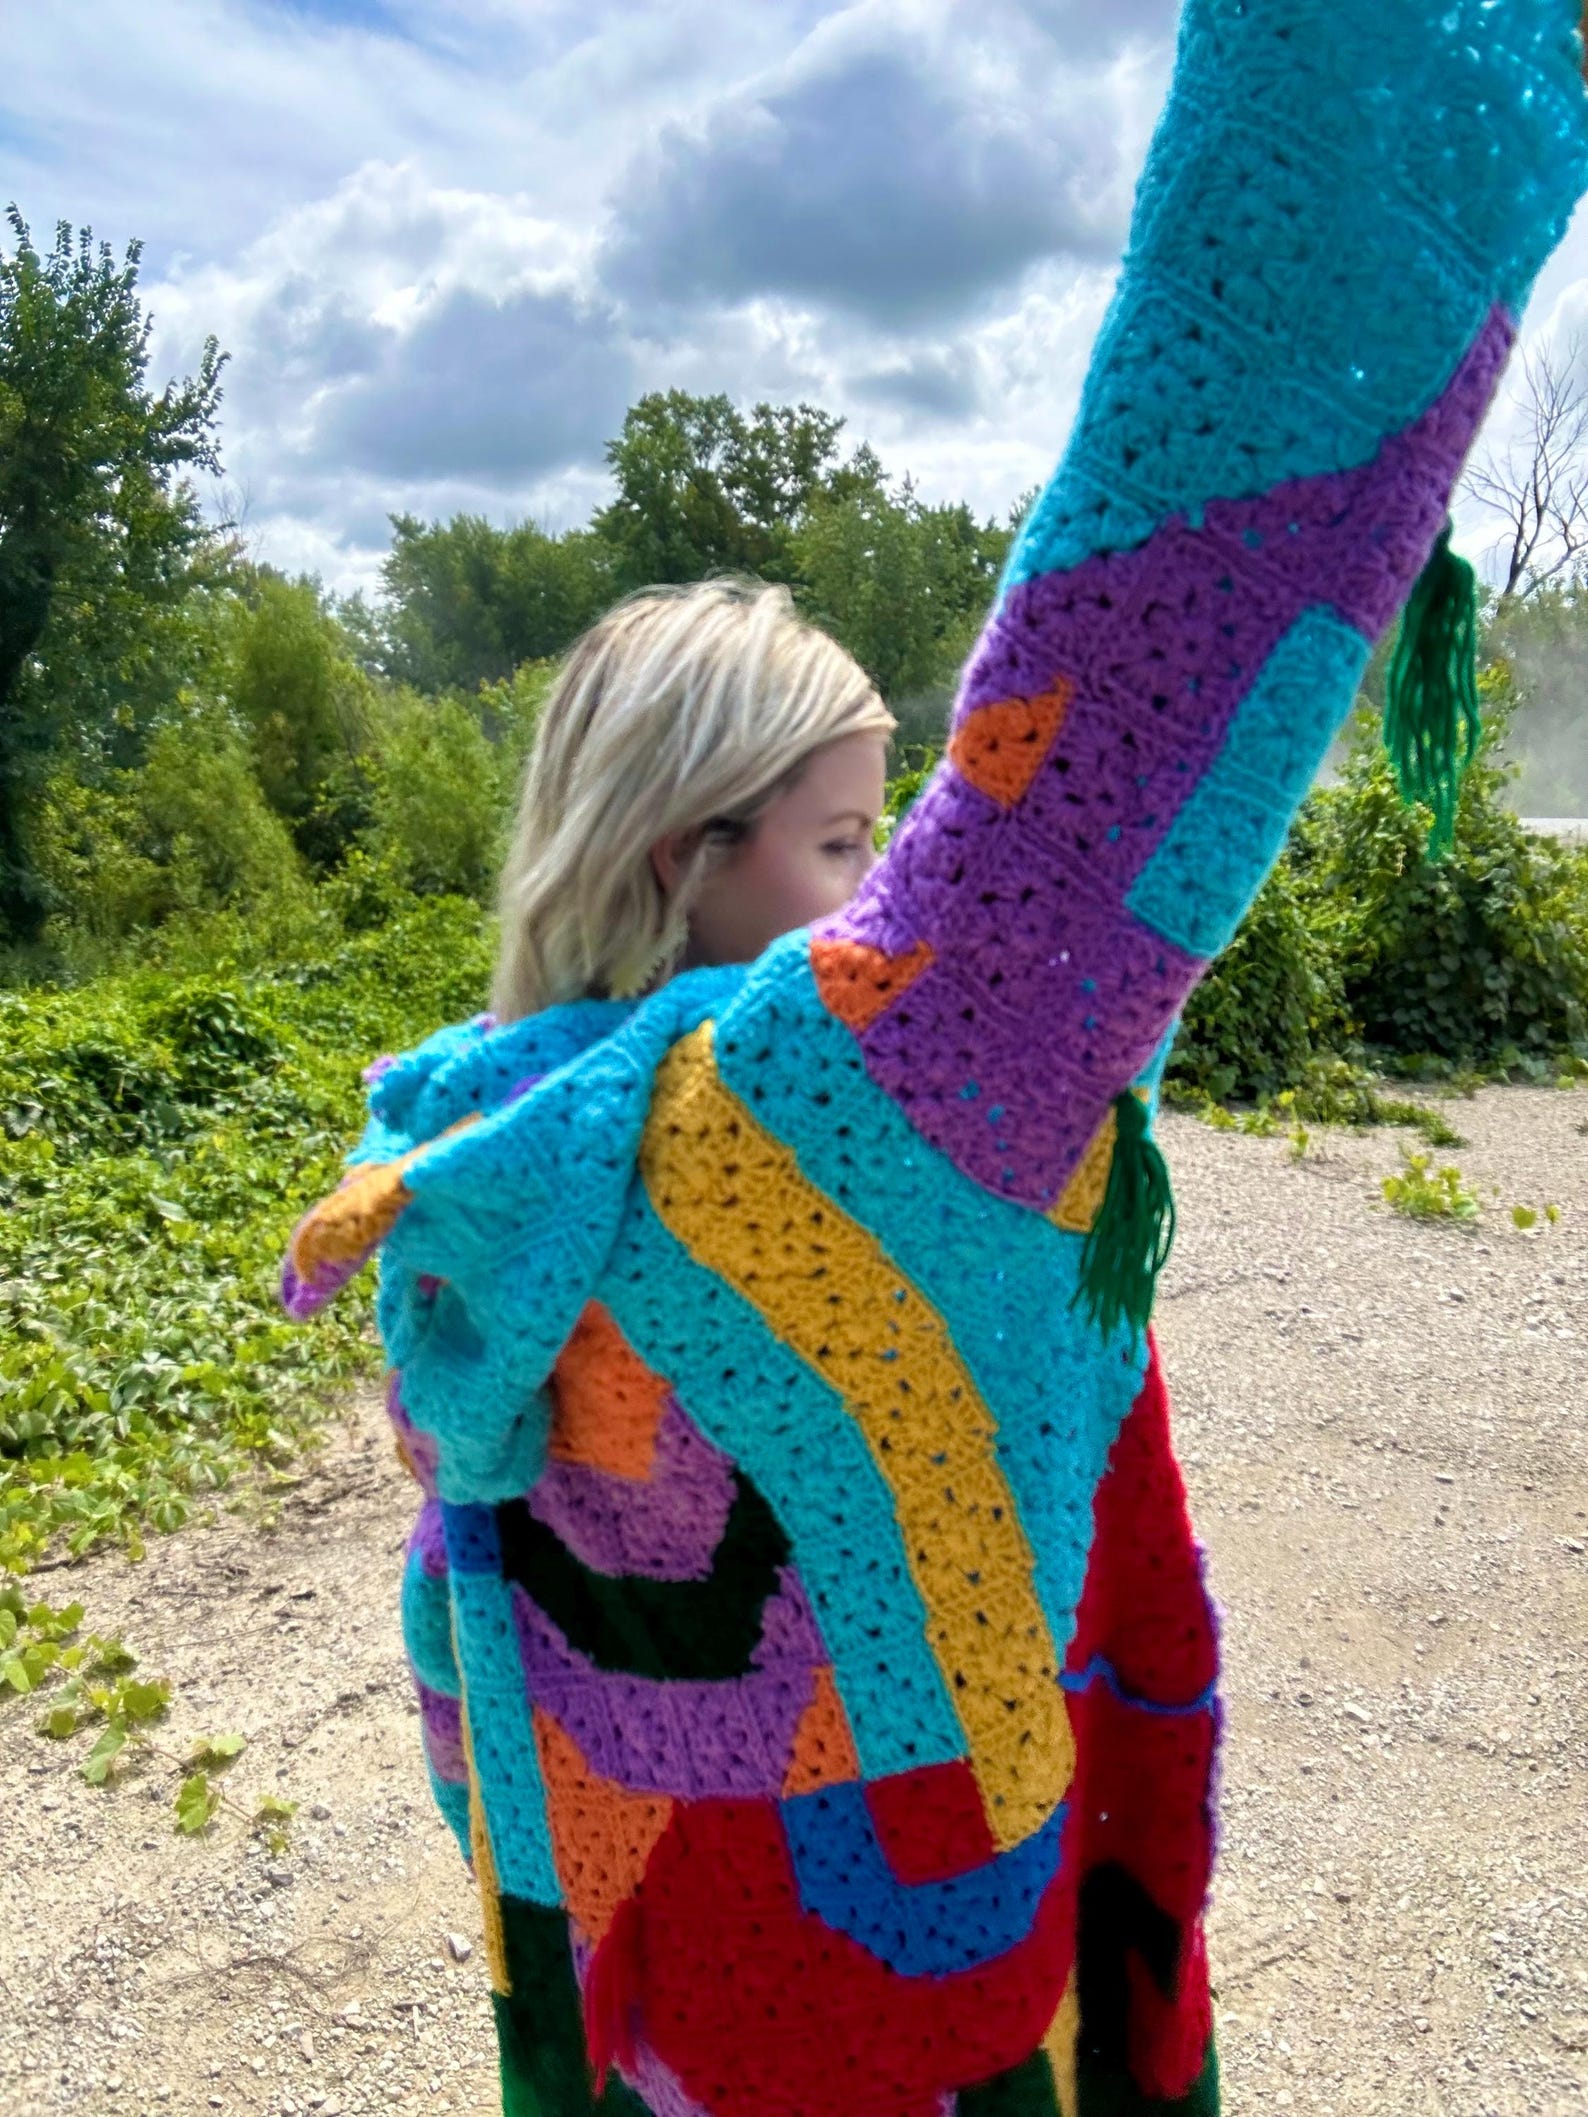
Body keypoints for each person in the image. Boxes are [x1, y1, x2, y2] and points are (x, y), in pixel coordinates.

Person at [283, 5, 1588, 2112]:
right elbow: (1147, 626)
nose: (885, 890)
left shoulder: (458, 1149)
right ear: (674, 854)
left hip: (631, 1994)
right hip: (911, 2000)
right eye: (839, 837)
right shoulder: (836, 1103)